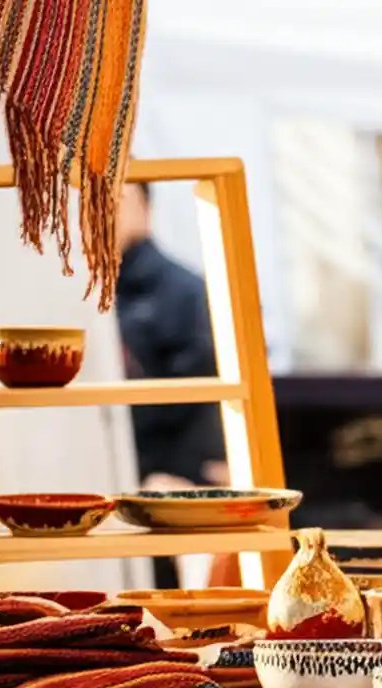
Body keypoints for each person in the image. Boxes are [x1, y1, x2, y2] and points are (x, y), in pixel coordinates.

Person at [115, 181, 229, 586]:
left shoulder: (184, 291)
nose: (106, 209)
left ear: (146, 207)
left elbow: (197, 387)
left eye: (119, 198)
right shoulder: (95, 292)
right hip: (123, 474)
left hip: (174, 474)